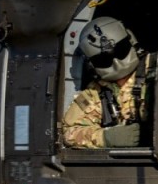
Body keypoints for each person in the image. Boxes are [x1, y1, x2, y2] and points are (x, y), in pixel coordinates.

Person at [63, 17, 151, 148]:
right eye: (104, 60)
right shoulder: (95, 92)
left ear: (131, 41)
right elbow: (69, 133)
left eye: (121, 50)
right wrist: (106, 137)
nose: (116, 63)